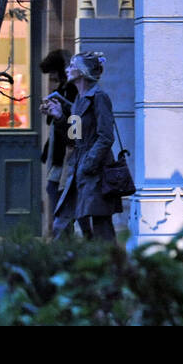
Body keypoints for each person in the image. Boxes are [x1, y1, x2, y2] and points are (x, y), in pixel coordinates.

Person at [54, 51, 121, 241]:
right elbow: (73, 138)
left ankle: (110, 265)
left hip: (95, 171)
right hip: (78, 169)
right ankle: (63, 263)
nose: (68, 69)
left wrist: (89, 163)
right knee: (62, 220)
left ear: (82, 72)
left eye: (73, 66)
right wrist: (59, 117)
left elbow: (106, 137)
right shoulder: (78, 100)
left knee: (101, 226)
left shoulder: (99, 97)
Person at [39, 49, 77, 237]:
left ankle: (62, 236)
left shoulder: (71, 90)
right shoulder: (61, 90)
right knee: (54, 190)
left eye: (54, 71)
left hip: (66, 152)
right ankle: (60, 235)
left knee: (58, 193)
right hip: (58, 151)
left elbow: (73, 124)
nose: (52, 76)